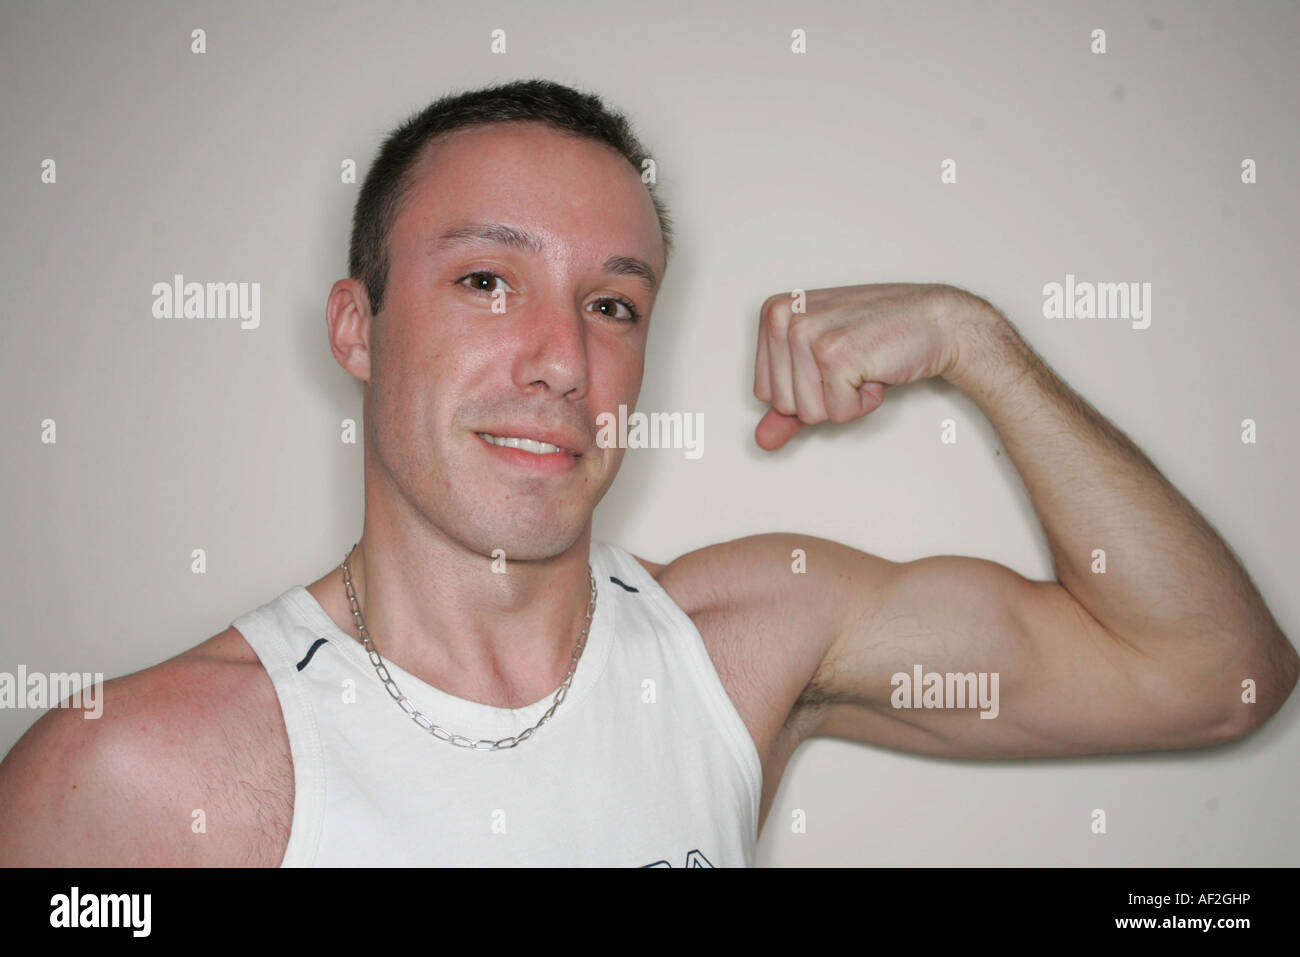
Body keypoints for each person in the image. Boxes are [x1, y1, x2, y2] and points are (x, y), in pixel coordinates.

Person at [0, 79, 1294, 867]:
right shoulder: (134, 771)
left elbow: (1216, 675)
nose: (560, 358)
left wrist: (979, 344)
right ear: (358, 326)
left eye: (612, 305)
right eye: (486, 281)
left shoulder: (745, 643)